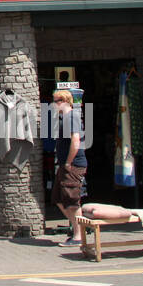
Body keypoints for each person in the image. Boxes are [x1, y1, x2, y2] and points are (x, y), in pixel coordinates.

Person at [50, 90, 88, 247]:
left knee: (72, 200)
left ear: (63, 101)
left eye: (55, 100)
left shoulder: (72, 117)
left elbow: (76, 141)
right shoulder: (64, 118)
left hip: (72, 165)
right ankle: (76, 228)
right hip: (65, 165)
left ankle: (79, 235)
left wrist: (68, 162)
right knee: (59, 199)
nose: (53, 104)